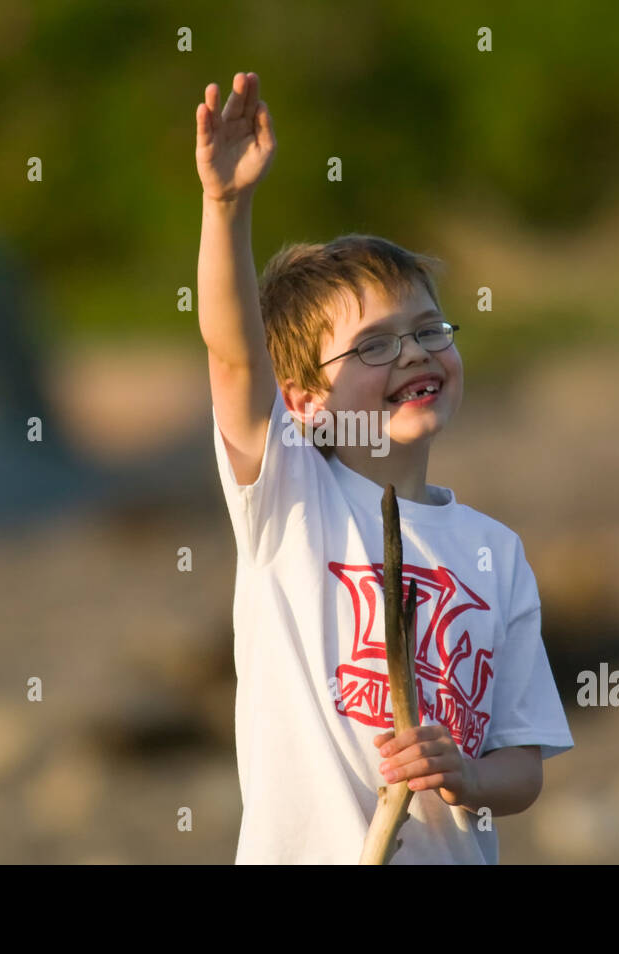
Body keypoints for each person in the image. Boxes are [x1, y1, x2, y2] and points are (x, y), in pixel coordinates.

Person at [195, 71, 573, 863]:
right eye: (373, 345)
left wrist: (467, 774)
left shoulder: (495, 553)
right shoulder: (291, 499)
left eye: (429, 330)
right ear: (302, 400)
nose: (413, 353)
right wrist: (227, 209)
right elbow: (232, 358)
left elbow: (523, 763)